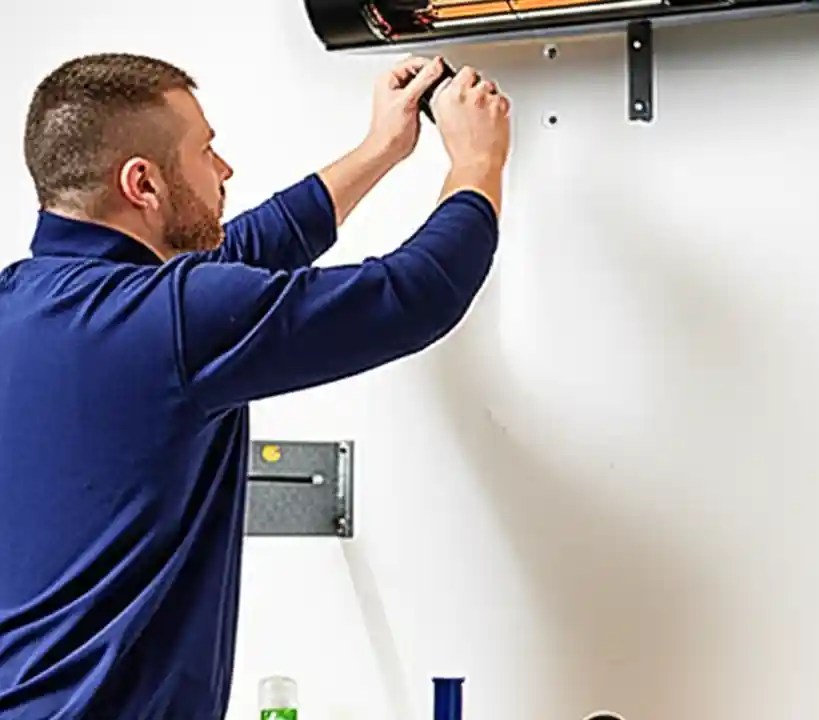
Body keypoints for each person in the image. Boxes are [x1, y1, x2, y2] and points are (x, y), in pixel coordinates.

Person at [0, 51, 510, 718]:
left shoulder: (23, 301)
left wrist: (380, 150)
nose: (224, 169)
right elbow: (415, 295)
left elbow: (236, 257)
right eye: (206, 151)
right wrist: (477, 164)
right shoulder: (173, 321)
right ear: (143, 185)